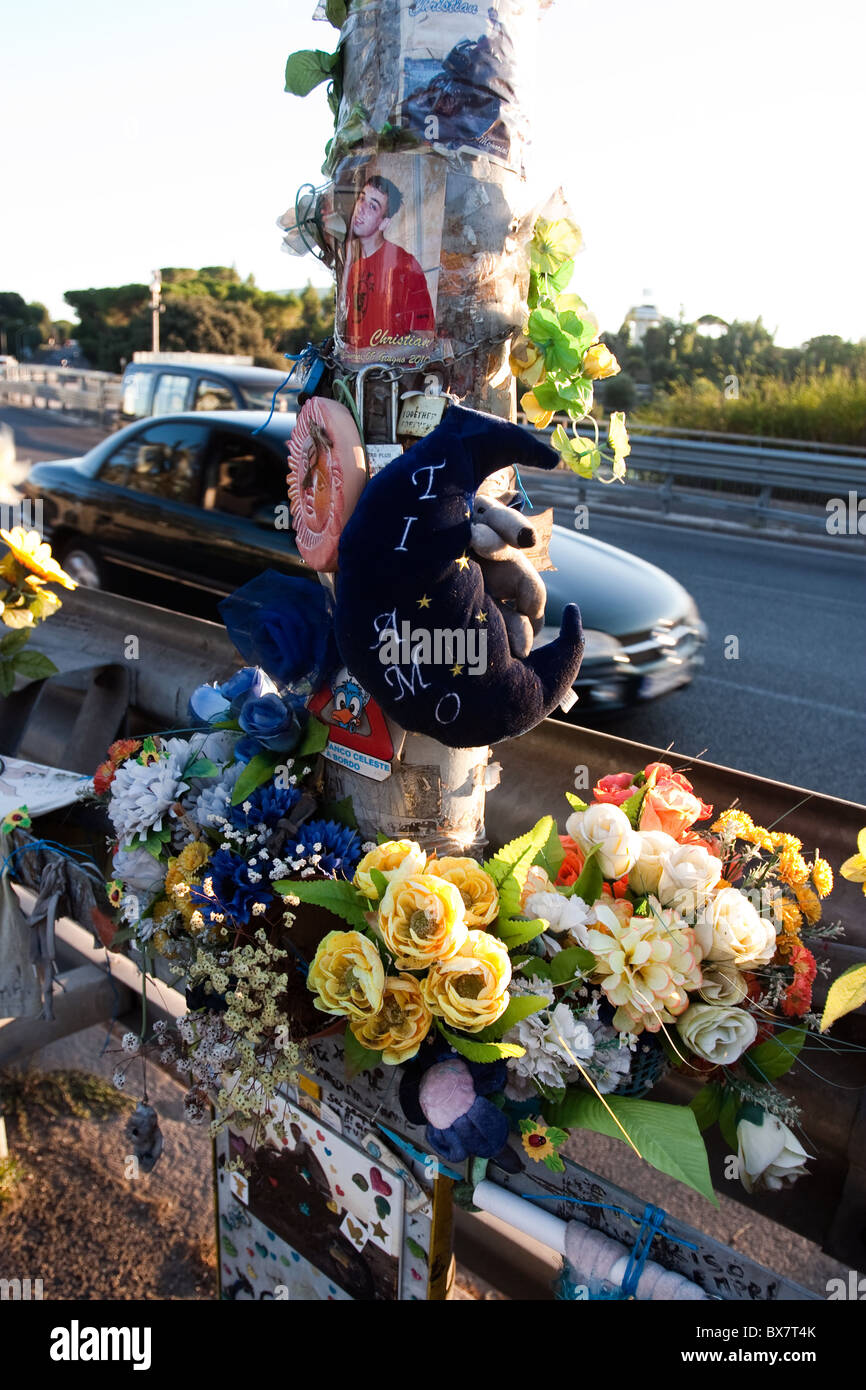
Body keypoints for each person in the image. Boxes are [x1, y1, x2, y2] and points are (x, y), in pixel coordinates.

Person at [341, 175, 435, 349]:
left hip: (392, 375)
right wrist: (347, 265)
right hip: (356, 374)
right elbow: (344, 325)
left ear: (384, 223)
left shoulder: (405, 264)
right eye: (362, 199)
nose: (360, 209)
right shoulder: (354, 267)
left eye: (372, 206)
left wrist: (366, 357)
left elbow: (425, 339)